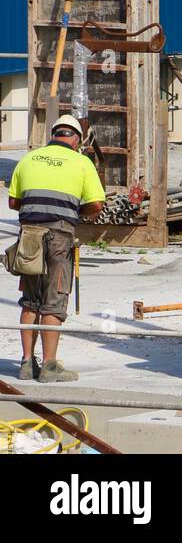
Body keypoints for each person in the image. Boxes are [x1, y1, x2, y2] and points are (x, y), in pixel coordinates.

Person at [7, 115, 105, 383]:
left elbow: (13, 201)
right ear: (76, 139)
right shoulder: (82, 162)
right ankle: (50, 367)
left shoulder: (28, 159)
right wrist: (74, 211)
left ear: (53, 135)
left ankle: (27, 363)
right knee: (54, 300)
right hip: (59, 236)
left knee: (30, 300)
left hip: (28, 236)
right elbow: (96, 205)